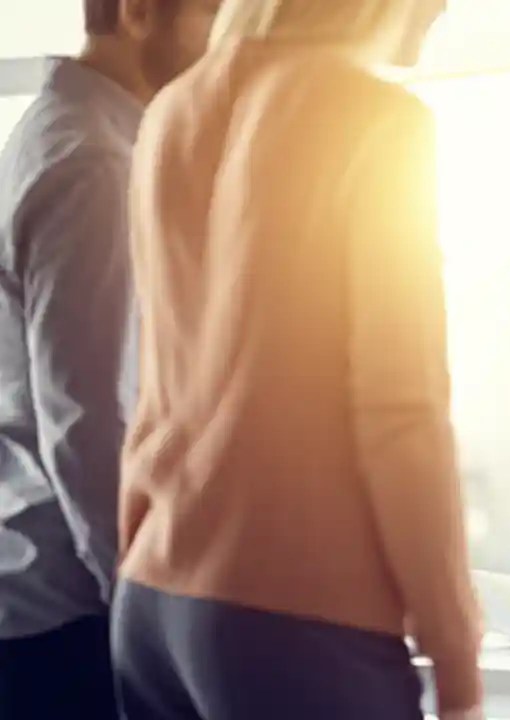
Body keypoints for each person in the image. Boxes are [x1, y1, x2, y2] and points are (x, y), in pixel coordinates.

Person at [109, 1, 484, 719]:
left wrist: (141, 558)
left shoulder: (170, 112)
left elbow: (160, 373)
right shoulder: (376, 118)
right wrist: (458, 660)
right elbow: (401, 415)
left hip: (154, 602)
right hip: (295, 623)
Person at [0, 1, 219, 718]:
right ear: (137, 12)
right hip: (70, 618)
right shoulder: (96, 164)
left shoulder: (61, 132)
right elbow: (90, 423)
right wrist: (148, 618)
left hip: (45, 601)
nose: (226, 38)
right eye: (213, 10)